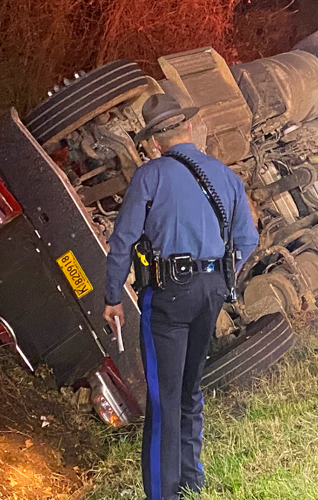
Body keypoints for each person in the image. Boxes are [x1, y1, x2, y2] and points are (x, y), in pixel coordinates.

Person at [102, 93, 259, 500]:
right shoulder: (225, 175)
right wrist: (224, 278)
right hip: (211, 291)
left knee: (163, 398)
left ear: (155, 142)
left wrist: (112, 294)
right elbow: (246, 237)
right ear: (188, 128)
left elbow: (123, 241)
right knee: (190, 390)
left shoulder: (150, 177)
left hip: (169, 294)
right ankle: (192, 481)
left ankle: (162, 494)